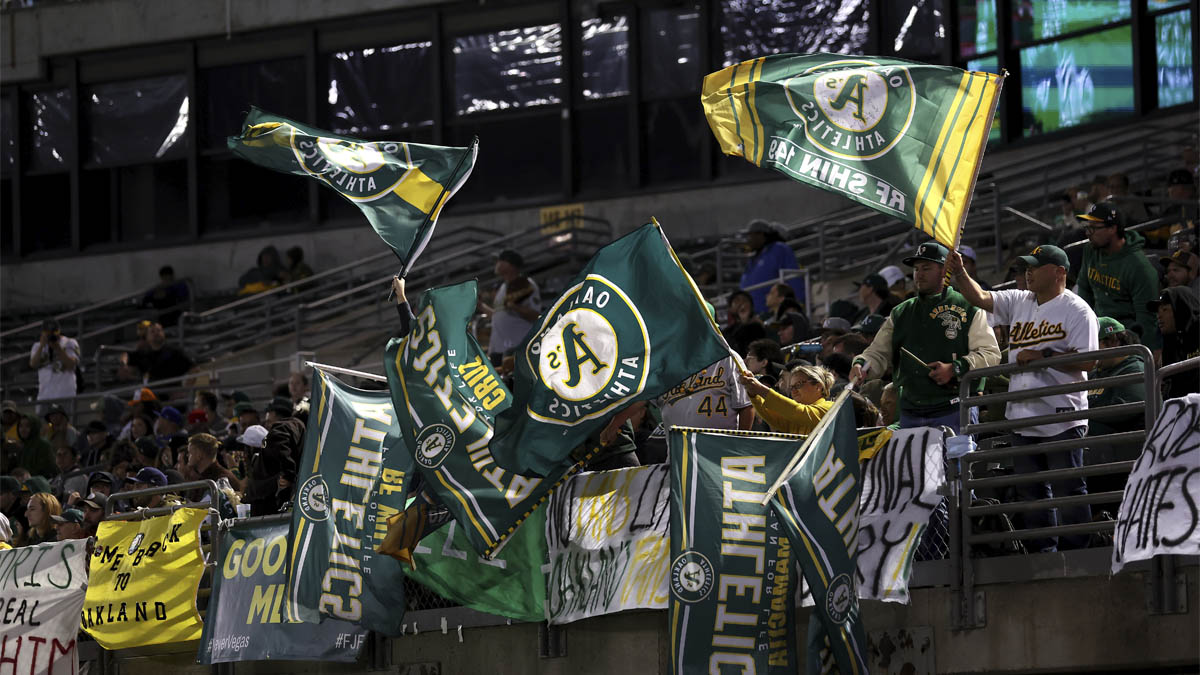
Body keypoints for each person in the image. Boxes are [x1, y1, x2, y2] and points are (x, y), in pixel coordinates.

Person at [947, 244, 1099, 553]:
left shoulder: (1077, 309)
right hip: (1022, 415)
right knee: (1032, 494)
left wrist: (1045, 355)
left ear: (1059, 272)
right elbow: (980, 297)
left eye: (1035, 267)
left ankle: (1079, 555)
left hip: (1062, 415)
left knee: (1069, 490)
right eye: (1026, 267)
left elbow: (1088, 361)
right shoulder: (1020, 300)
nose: (1028, 272)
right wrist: (960, 272)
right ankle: (1043, 556)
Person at [850, 242, 1000, 432]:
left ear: (944, 270)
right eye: (916, 269)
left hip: (956, 407)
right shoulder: (901, 312)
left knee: (952, 453)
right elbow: (878, 352)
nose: (919, 274)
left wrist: (955, 368)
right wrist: (862, 364)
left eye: (926, 268)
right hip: (910, 411)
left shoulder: (968, 306)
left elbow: (991, 354)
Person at [1075, 201, 1161, 354]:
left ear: (1113, 229)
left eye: (1094, 228)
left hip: (1125, 340)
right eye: (1087, 227)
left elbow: (1147, 320)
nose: (1088, 233)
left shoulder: (1139, 267)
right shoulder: (1091, 250)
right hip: (1099, 332)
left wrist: (1141, 354)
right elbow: (1084, 290)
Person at [479, 249, 541, 369]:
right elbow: (499, 315)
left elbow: (535, 315)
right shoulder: (504, 286)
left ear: (510, 265)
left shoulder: (526, 284)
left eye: (500, 261)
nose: (497, 264)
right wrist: (481, 306)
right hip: (498, 347)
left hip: (517, 347)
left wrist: (515, 307)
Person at [1087, 318, 1147, 438]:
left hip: (1125, 442)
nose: (1088, 349)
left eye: (1093, 343)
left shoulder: (1135, 369)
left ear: (1113, 342)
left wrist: (1083, 414)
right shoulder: (1094, 373)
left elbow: (1125, 411)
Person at [739, 364, 834, 435]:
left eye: (799, 385)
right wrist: (754, 394)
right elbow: (772, 417)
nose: (794, 391)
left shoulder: (830, 407)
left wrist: (761, 389)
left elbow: (800, 412)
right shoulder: (794, 415)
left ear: (818, 386)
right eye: (792, 387)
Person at [739, 220, 803, 313]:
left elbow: (793, 277)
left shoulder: (779, 249)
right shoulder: (754, 258)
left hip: (771, 311)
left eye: (750, 235)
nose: (748, 240)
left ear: (760, 234)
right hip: (754, 313)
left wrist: (797, 303)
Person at [1148, 286, 1199, 399]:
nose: (1159, 316)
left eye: (1165, 310)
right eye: (1158, 311)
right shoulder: (1170, 340)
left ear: (1181, 309)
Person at [123, 322, 195, 384]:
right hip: (151, 392)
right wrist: (124, 365)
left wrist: (184, 390)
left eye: (159, 330)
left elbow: (194, 369)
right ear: (147, 337)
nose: (156, 333)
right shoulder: (144, 354)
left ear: (163, 334)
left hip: (171, 390)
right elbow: (126, 356)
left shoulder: (175, 351)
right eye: (152, 331)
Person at [29, 319, 80, 405]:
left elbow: (71, 365)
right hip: (45, 396)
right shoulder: (37, 346)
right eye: (48, 333)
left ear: (59, 330)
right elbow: (33, 364)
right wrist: (41, 346)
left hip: (66, 395)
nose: (51, 335)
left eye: (53, 332)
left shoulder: (70, 342)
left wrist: (58, 348)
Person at [723, 290, 767, 355]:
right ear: (730, 308)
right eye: (737, 301)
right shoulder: (727, 332)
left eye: (745, 301)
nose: (741, 304)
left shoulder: (758, 326)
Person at [13, 414, 55, 479]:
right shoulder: (23, 445)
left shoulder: (43, 445)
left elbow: (46, 469)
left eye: (27, 426)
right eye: (21, 426)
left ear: (34, 427)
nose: (23, 429)